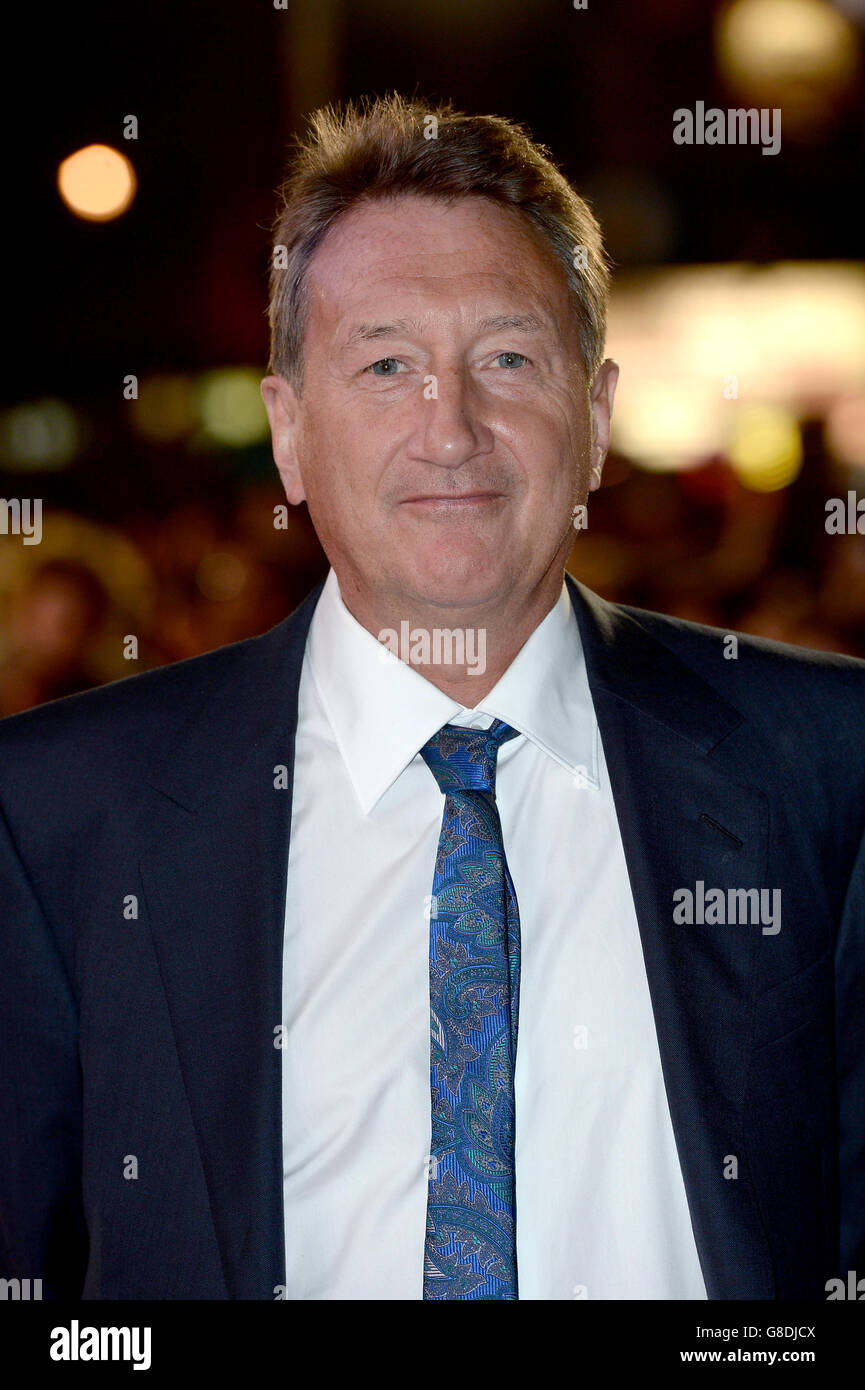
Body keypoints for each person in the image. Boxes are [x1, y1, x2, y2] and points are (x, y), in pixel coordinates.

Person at [1, 94, 863, 1301]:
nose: (448, 427)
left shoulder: (829, 764)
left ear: (597, 416)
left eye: (507, 358)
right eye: (386, 364)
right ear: (290, 435)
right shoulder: (59, 815)